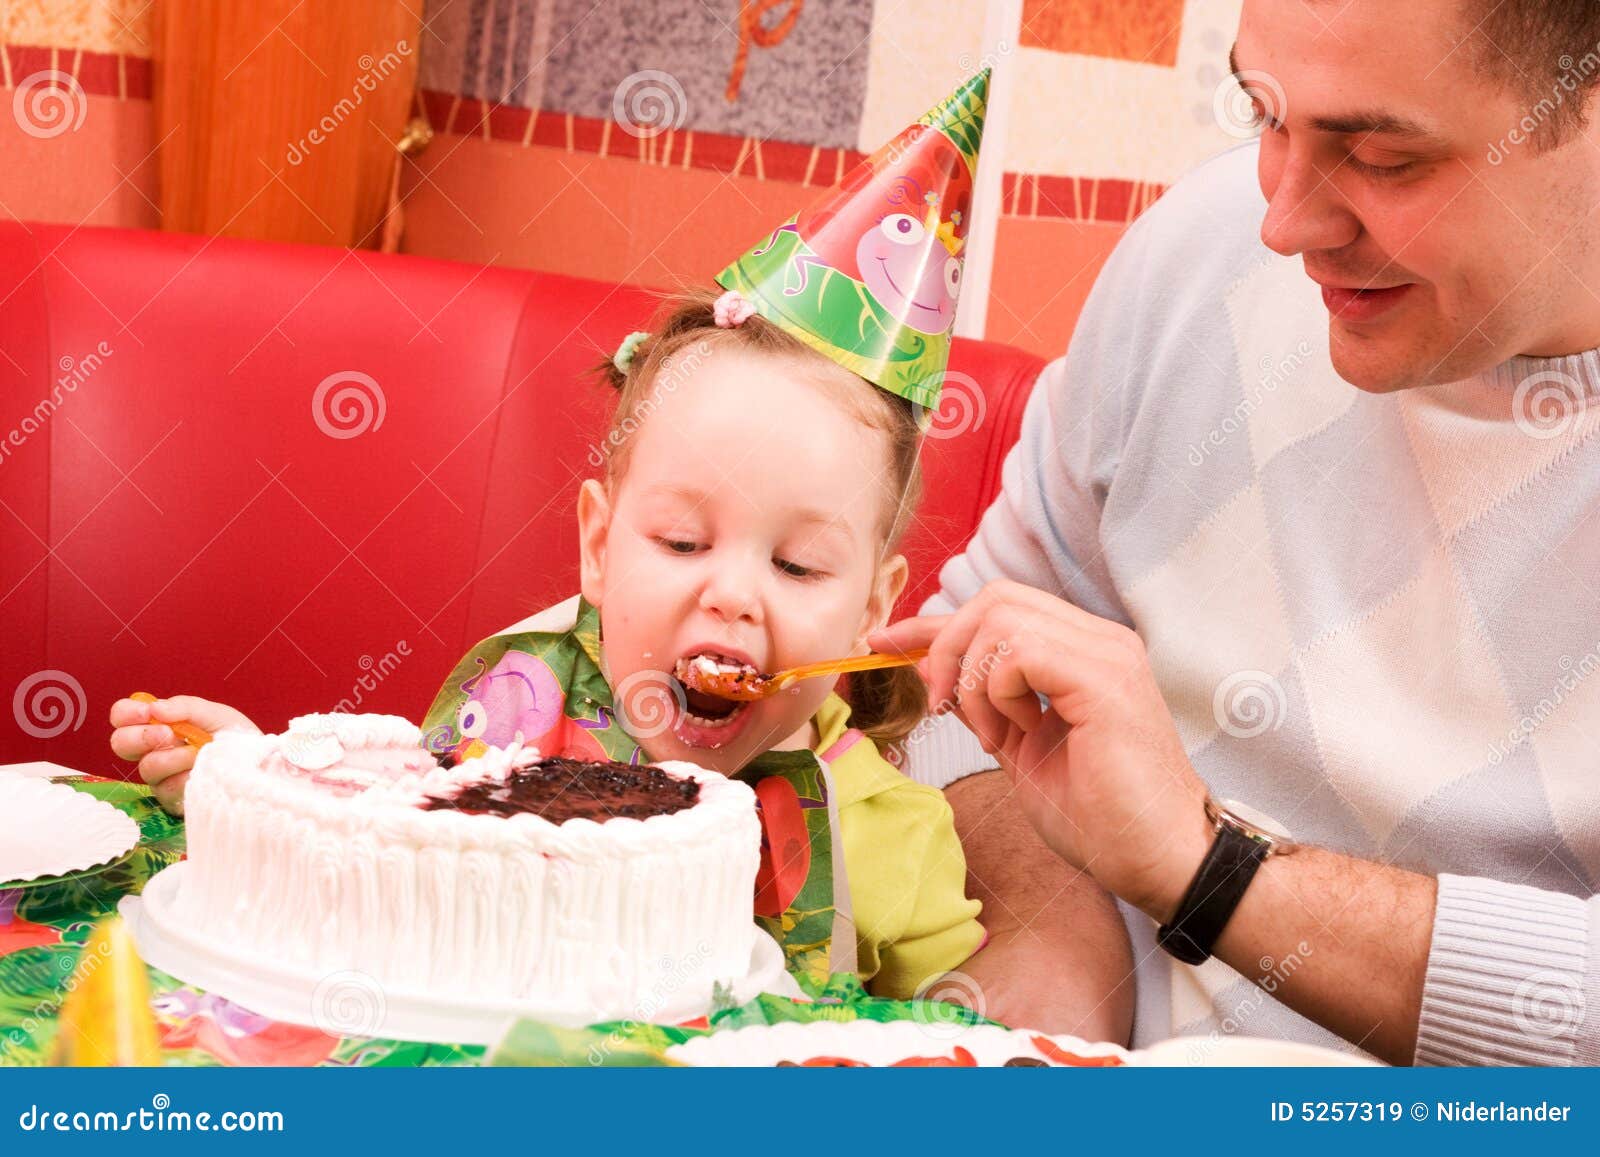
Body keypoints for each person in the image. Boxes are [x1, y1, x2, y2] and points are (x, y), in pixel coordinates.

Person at [109, 71, 1137, 1033]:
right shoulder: (517, 710)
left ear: (873, 607)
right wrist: (252, 781)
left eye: (796, 566)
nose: (733, 593)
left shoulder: (893, 837)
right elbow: (384, 859)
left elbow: (957, 1043)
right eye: (683, 540)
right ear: (599, 544)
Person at [875, 0, 1600, 1066]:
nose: (1282, 226)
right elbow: (952, 691)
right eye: (1266, 116)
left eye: (1383, 159)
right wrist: (1056, 978)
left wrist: (1210, 872)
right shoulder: (1195, 253)